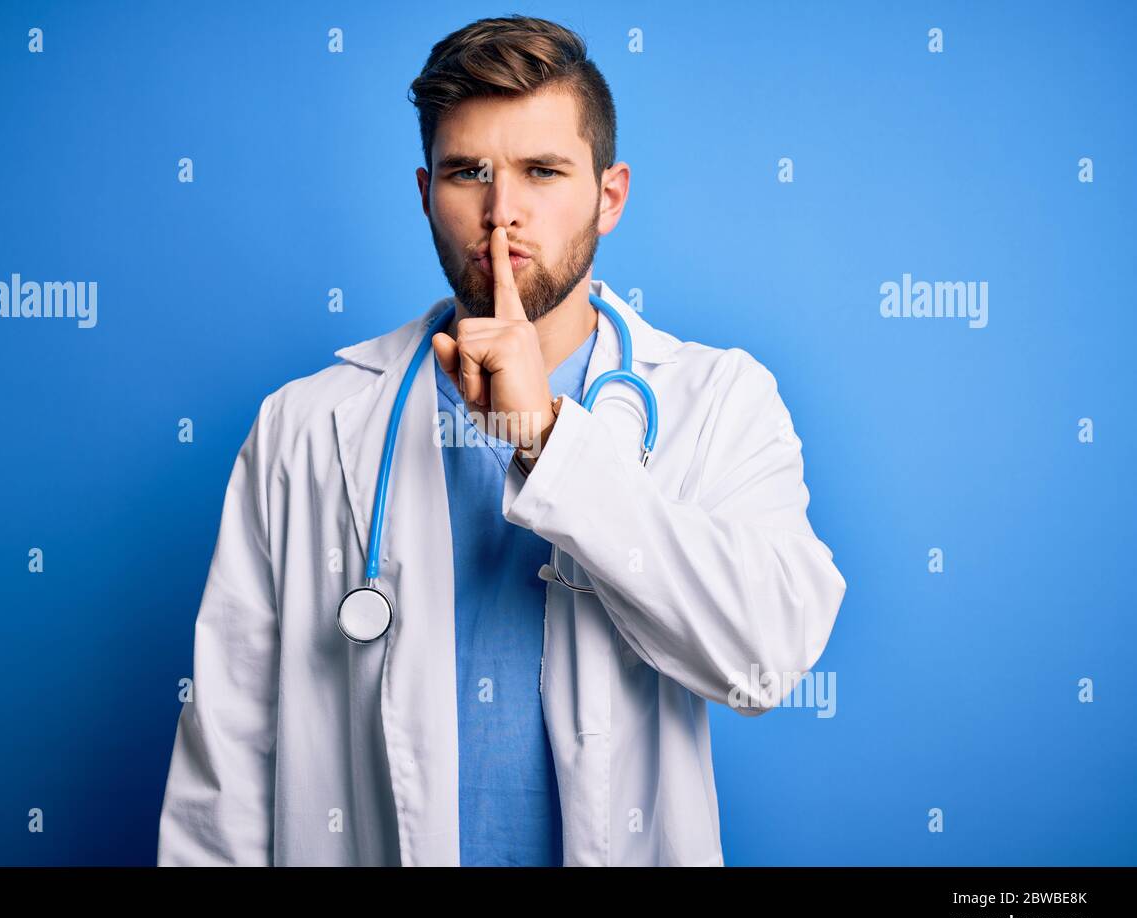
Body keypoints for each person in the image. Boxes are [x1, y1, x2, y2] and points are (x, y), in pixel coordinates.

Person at [157, 14, 847, 866]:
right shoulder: (304, 426)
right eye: (467, 172)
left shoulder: (717, 400)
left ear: (610, 195)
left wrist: (547, 439)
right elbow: (222, 772)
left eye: (542, 171)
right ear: (424, 194)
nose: (501, 214)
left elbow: (766, 660)